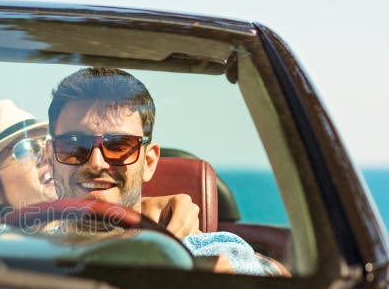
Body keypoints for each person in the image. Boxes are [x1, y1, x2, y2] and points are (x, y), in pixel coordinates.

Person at [47, 67, 281, 275]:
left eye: (118, 146)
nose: (96, 163)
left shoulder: (202, 255)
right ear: (50, 158)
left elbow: (279, 284)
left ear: (149, 162)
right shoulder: (18, 250)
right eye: (74, 145)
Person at [0, 99, 201, 238]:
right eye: (24, 149)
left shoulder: (170, 224)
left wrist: (141, 210)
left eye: (47, 144)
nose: (44, 156)